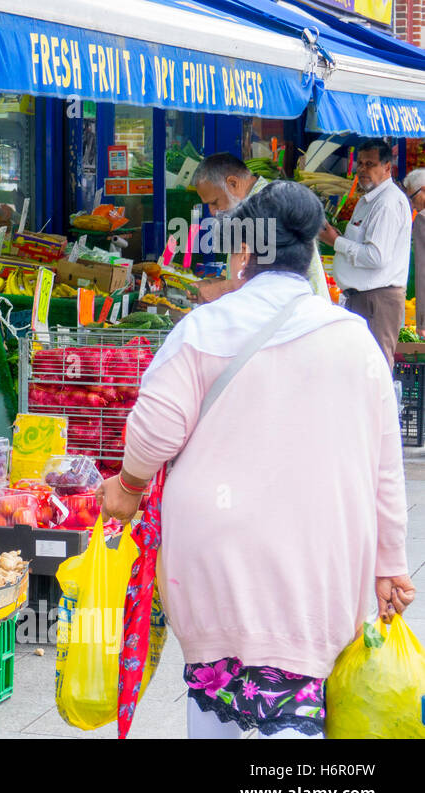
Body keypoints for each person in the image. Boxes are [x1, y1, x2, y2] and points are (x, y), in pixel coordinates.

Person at [99, 181, 415, 740]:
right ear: (313, 251)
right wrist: (390, 561)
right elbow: (386, 465)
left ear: (244, 250)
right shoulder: (355, 339)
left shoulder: (204, 327)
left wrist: (127, 486)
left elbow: (154, 430)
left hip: (214, 554)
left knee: (213, 683)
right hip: (317, 555)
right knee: (296, 691)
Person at [319, 138, 411, 367]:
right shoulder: (369, 200)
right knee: (360, 369)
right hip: (362, 300)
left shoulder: (387, 203)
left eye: (370, 164)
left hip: (376, 302)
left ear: (387, 167)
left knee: (374, 369)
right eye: (360, 163)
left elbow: (376, 257)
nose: (362, 169)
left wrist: (335, 241)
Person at [191, 153, 328, 303]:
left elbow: (276, 277)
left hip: (298, 317)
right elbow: (249, 270)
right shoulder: (244, 209)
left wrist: (222, 288)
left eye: (215, 202)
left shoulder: (272, 203)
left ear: (233, 183)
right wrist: (212, 283)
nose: (212, 211)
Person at [404, 166, 425, 333]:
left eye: (412, 197)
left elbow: (422, 271)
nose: (411, 204)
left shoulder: (421, 219)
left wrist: (422, 321)